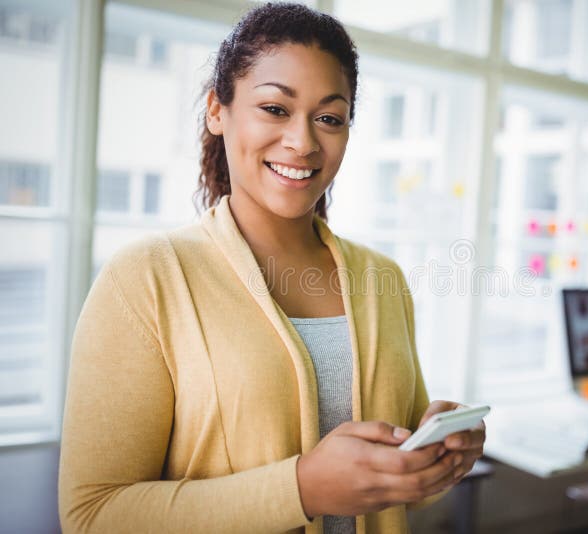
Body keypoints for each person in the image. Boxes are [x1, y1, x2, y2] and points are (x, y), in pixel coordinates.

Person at [58, 3, 486, 533]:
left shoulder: (384, 280)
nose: (303, 142)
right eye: (275, 109)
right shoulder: (146, 279)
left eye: (329, 118)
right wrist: (302, 488)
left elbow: (399, 492)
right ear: (218, 110)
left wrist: (438, 458)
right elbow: (94, 516)